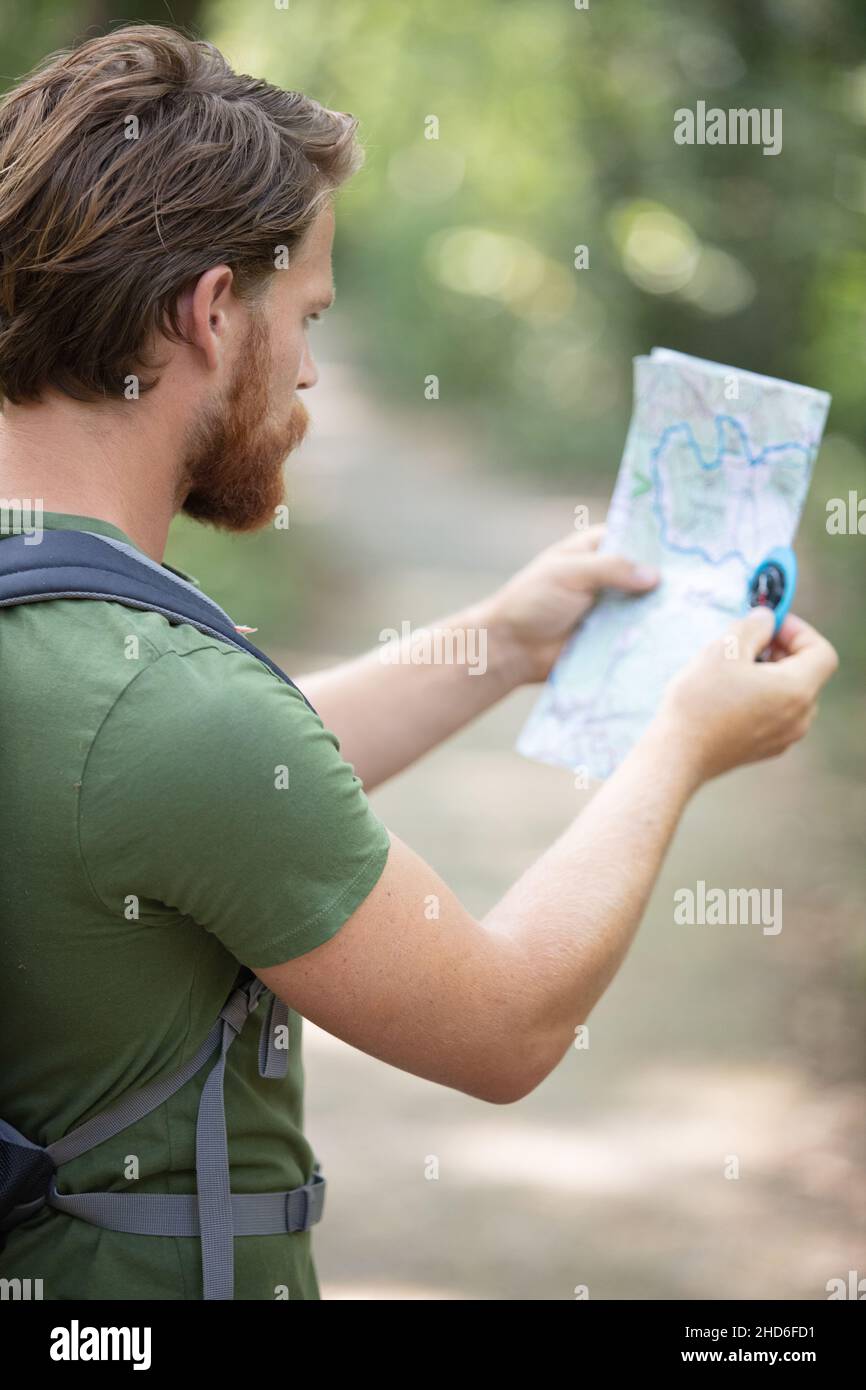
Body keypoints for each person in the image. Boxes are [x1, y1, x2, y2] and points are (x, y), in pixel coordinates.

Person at [0, 24, 838, 1301]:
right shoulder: (164, 708)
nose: (314, 371)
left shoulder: (84, 657)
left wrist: (497, 644)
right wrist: (680, 739)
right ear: (215, 312)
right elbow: (507, 1026)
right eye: (309, 316)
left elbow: (183, 804)